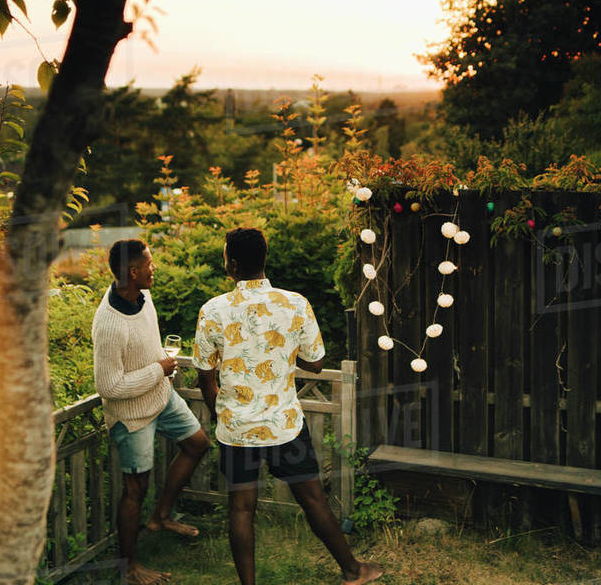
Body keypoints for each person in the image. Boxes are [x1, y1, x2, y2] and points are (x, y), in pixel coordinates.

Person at [193, 228, 383, 585]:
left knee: (240, 508)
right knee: (313, 499)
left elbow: (206, 378)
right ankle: (353, 571)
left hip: (237, 430)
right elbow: (314, 362)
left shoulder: (212, 310)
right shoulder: (295, 303)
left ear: (231, 264)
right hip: (284, 426)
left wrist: (223, 413)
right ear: (264, 259)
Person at [93, 239, 211, 585]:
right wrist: (158, 370)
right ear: (133, 272)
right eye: (149, 264)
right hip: (130, 415)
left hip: (161, 396)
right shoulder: (109, 324)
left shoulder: (143, 297)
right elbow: (109, 387)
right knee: (135, 489)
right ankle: (129, 568)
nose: (153, 268)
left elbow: (150, 344)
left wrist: (163, 371)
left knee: (198, 443)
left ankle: (160, 517)